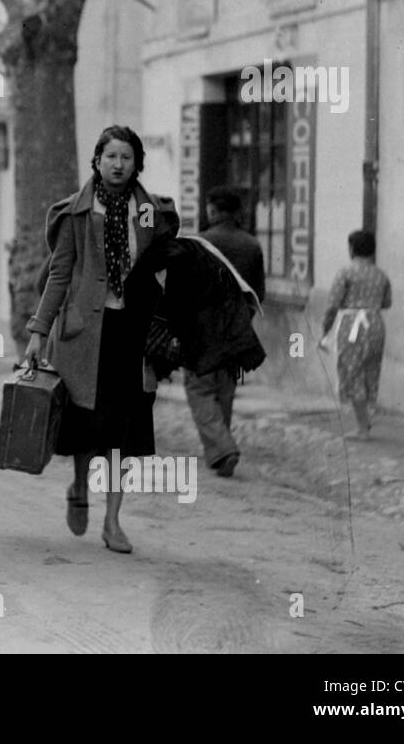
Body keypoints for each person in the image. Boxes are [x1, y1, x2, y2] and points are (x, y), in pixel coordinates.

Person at [23, 126, 176, 554]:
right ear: (97, 160)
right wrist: (38, 332)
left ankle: (113, 522)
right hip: (84, 334)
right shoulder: (76, 212)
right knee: (86, 425)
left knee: (123, 431)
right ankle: (78, 484)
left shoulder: (150, 213)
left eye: (126, 157)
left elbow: (164, 268)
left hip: (133, 334)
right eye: (110, 156)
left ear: (136, 163)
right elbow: (59, 273)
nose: (118, 164)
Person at [182, 186, 266, 477]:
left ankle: (223, 448)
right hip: (237, 326)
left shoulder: (198, 242)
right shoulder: (252, 245)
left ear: (214, 211)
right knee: (225, 389)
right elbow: (258, 293)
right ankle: (221, 448)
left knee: (199, 388)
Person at [321, 230, 391, 440]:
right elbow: (387, 303)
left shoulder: (346, 273)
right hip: (376, 325)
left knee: (352, 373)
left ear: (351, 249)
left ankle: (363, 428)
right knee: (370, 371)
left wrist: (325, 330)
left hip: (353, 326)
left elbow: (332, 304)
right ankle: (365, 423)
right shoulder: (381, 275)